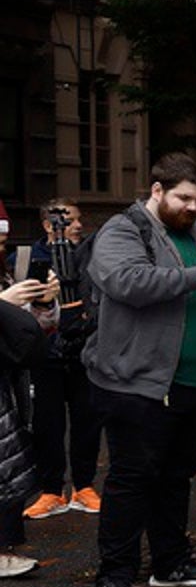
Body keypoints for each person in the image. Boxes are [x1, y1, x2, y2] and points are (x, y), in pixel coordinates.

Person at [84, 152, 196, 587]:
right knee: (133, 477)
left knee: (177, 475)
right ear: (157, 191)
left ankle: (170, 562)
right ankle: (113, 576)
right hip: (137, 380)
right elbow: (128, 282)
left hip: (194, 379)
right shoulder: (122, 231)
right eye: (183, 198)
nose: (193, 207)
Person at [24, 199, 102, 519]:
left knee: (87, 420)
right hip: (46, 353)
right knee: (48, 425)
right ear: (48, 225)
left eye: (79, 219)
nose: (78, 225)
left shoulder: (90, 255)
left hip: (85, 350)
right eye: (70, 220)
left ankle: (83, 487)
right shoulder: (30, 258)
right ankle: (51, 491)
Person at [0, 256, 52, 577]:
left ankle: (5, 549)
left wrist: (43, 305)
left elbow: (31, 332)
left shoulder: (6, 270)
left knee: (7, 468)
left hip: (8, 382)